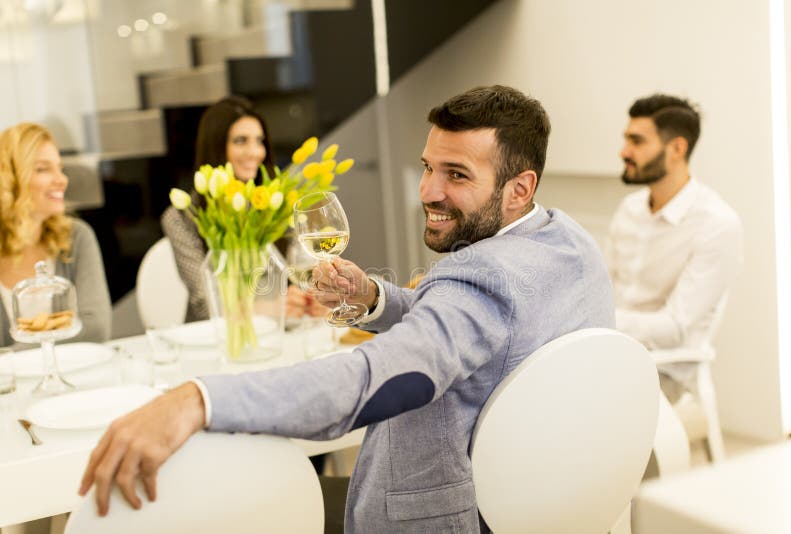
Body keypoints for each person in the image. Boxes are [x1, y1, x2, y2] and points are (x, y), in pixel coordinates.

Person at [79, 85, 615, 533]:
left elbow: (369, 380)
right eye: (428, 167)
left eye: (456, 174)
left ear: (519, 188)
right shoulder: (567, 241)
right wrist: (374, 298)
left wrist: (197, 399)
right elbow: (474, 325)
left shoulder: (478, 277)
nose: (428, 191)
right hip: (552, 505)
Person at [606, 94, 743, 400]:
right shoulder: (628, 209)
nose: (624, 151)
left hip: (663, 368)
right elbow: (604, 289)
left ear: (677, 149)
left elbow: (676, 328)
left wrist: (601, 321)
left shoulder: (716, 224)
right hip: (609, 351)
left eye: (637, 141)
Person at [161, 95, 324, 323]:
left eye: (259, 141)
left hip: (280, 331)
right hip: (214, 337)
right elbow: (205, 305)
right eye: (240, 141)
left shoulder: (277, 204)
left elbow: (303, 269)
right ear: (216, 146)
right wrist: (270, 308)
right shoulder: (182, 217)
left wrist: (312, 298)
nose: (255, 152)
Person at [0, 122, 111, 347]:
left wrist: (14, 355)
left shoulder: (76, 237)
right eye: (43, 169)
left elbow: (96, 327)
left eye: (59, 168)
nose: (62, 180)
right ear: (10, 179)